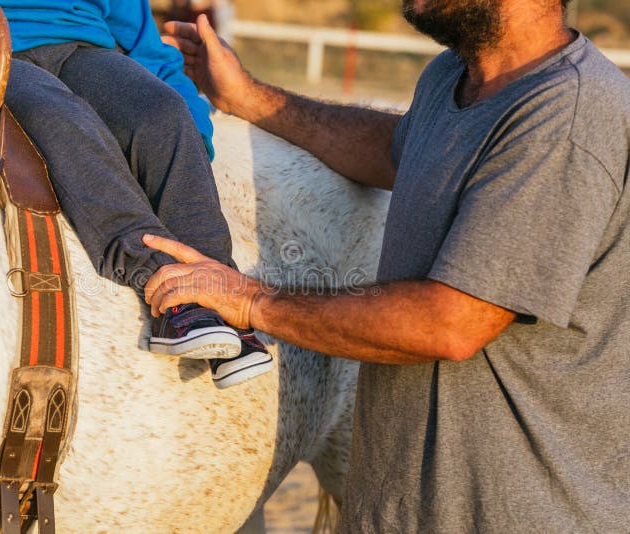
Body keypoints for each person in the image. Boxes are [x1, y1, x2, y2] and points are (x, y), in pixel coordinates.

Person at [149, 0, 630, 530]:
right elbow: (395, 150)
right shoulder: (455, 76)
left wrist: (250, 300)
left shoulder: (566, 116)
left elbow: (450, 322)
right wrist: (248, 97)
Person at [0, 0, 273, 389]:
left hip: (84, 48)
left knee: (163, 116)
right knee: (63, 120)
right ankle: (166, 290)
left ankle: (218, 291)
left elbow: (141, 40)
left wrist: (191, 131)